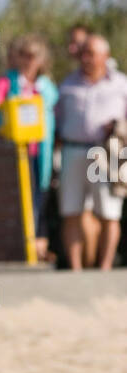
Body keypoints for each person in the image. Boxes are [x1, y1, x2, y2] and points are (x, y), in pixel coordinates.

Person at [0, 35, 58, 261]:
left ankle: (39, 250)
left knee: (40, 201)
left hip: (41, 154)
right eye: (23, 55)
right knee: (23, 201)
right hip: (15, 154)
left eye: (32, 56)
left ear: (41, 59)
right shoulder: (8, 81)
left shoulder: (47, 88)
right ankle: (23, 251)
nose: (27, 60)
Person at [54, 33, 127, 270]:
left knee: (109, 212)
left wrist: (117, 126)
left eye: (91, 54)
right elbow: (57, 117)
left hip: (105, 153)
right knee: (71, 210)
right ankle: (76, 271)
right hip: (72, 150)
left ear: (105, 56)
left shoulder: (120, 84)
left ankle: (104, 269)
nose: (86, 58)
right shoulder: (68, 83)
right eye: (83, 53)